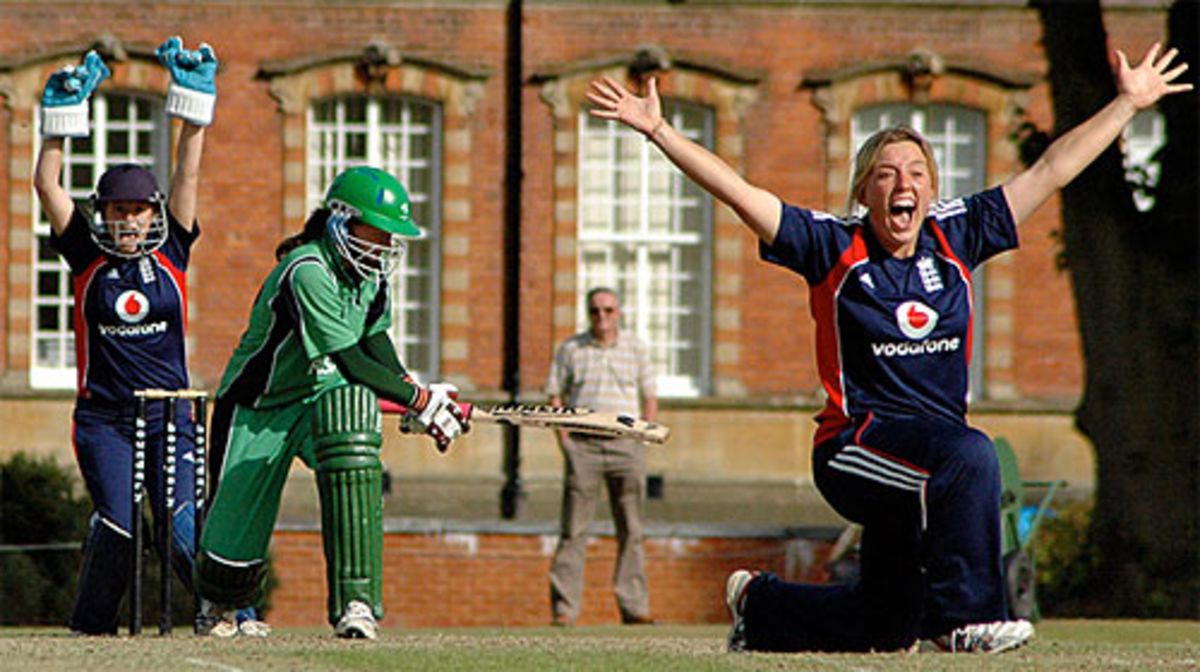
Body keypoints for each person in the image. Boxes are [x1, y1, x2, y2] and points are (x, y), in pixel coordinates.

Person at [585, 42, 1191, 653]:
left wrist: (1126, 105)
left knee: (889, 623)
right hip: (855, 448)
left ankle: (762, 607)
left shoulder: (957, 233)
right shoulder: (830, 246)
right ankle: (967, 619)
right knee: (973, 455)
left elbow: (1051, 170)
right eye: (886, 173)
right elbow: (742, 194)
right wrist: (660, 130)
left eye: (917, 174)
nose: (904, 185)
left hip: (934, 466)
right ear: (865, 193)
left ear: (931, 191)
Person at [32, 37, 263, 636]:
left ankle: (230, 612)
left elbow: (189, 167)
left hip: (173, 418)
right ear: (103, 213)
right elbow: (47, 187)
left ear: (152, 211)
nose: (129, 219)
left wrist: (195, 101)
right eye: (119, 210)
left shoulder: (174, 252)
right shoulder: (85, 258)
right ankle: (90, 627)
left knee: (183, 521)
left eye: (138, 209)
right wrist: (55, 127)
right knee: (119, 525)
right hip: (105, 418)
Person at [194, 165, 470, 640]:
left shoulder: (369, 274)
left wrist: (410, 391)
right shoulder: (308, 271)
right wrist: (418, 399)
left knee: (353, 436)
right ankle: (219, 607)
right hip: (259, 405)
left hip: (320, 396)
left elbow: (375, 341)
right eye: (377, 232)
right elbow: (349, 359)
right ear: (342, 219)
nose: (385, 245)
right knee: (231, 540)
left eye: (391, 237)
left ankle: (356, 603)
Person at [546, 287, 658, 626]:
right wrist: (565, 441)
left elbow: (649, 396)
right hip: (584, 447)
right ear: (588, 314)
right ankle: (565, 610)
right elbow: (554, 397)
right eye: (596, 311)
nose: (602, 317)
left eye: (608, 310)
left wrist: (644, 436)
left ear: (619, 313)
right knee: (573, 530)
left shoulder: (636, 349)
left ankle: (634, 607)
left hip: (627, 445)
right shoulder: (571, 349)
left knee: (632, 529)